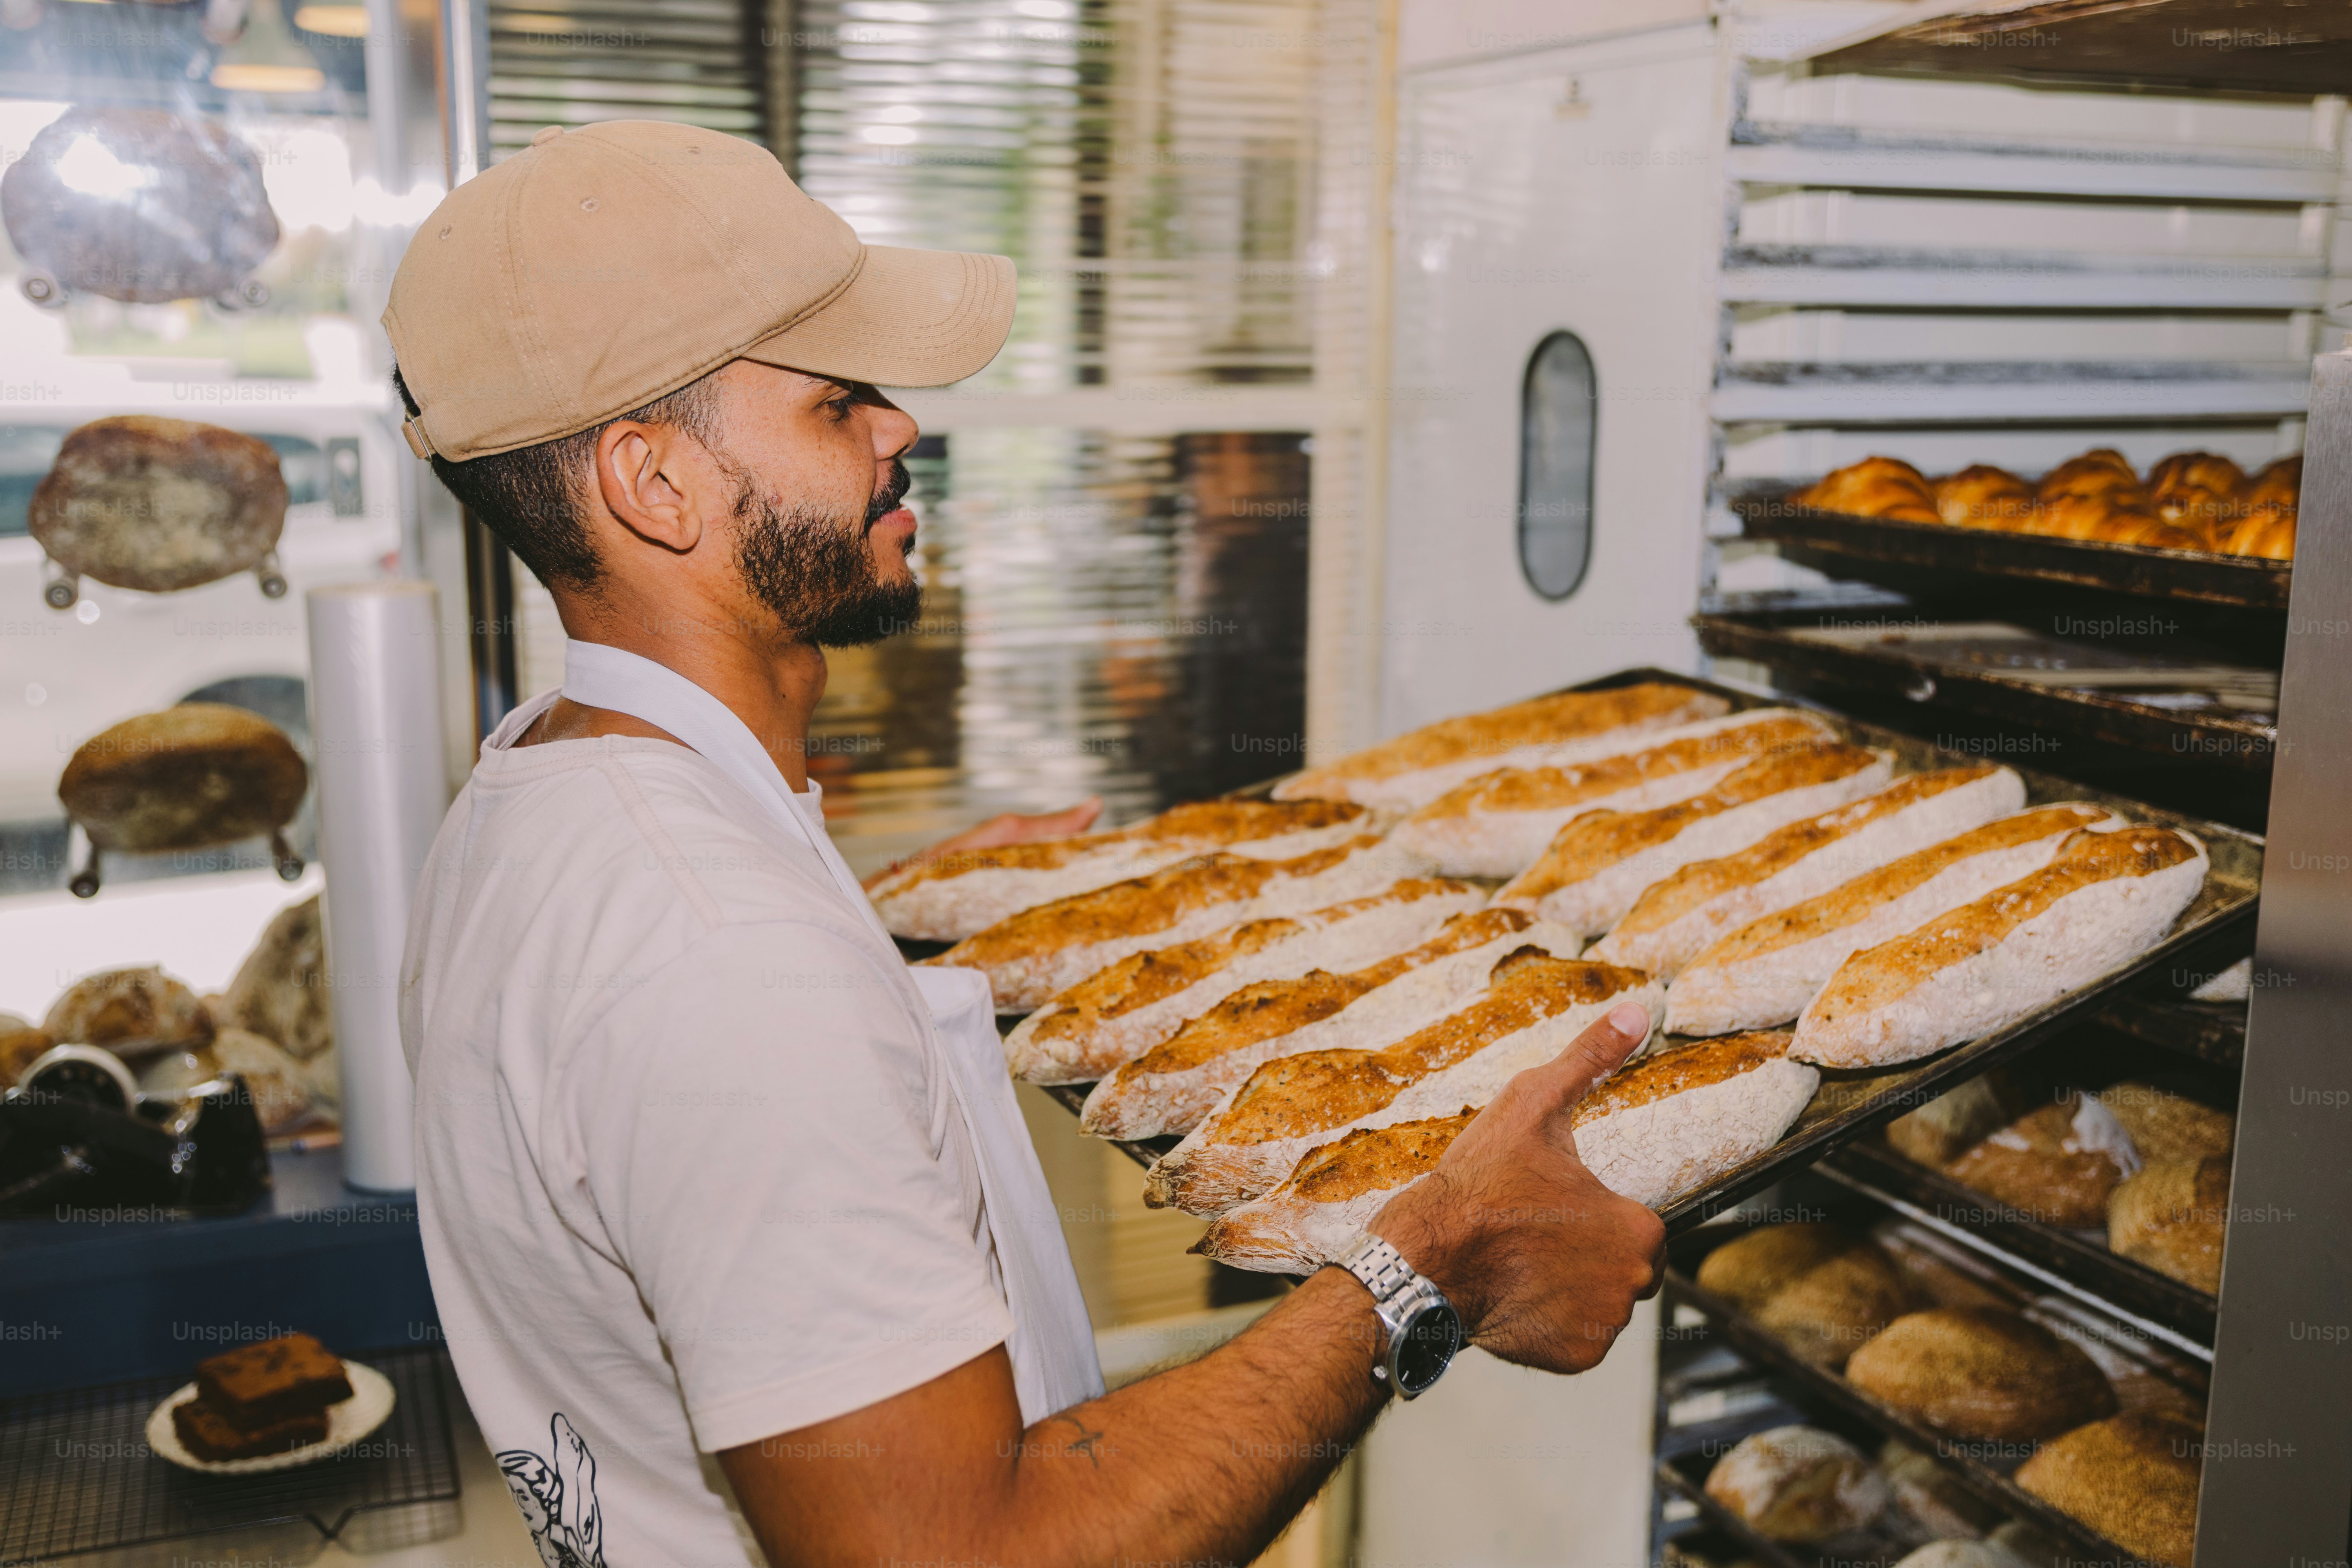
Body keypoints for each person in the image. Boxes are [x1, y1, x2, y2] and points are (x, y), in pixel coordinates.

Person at [392, 120, 1664, 1568]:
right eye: (834, 403)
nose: (900, 428)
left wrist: (870, 937)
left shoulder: (545, 792)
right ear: (653, 485)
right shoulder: (725, 966)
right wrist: (1434, 1260)